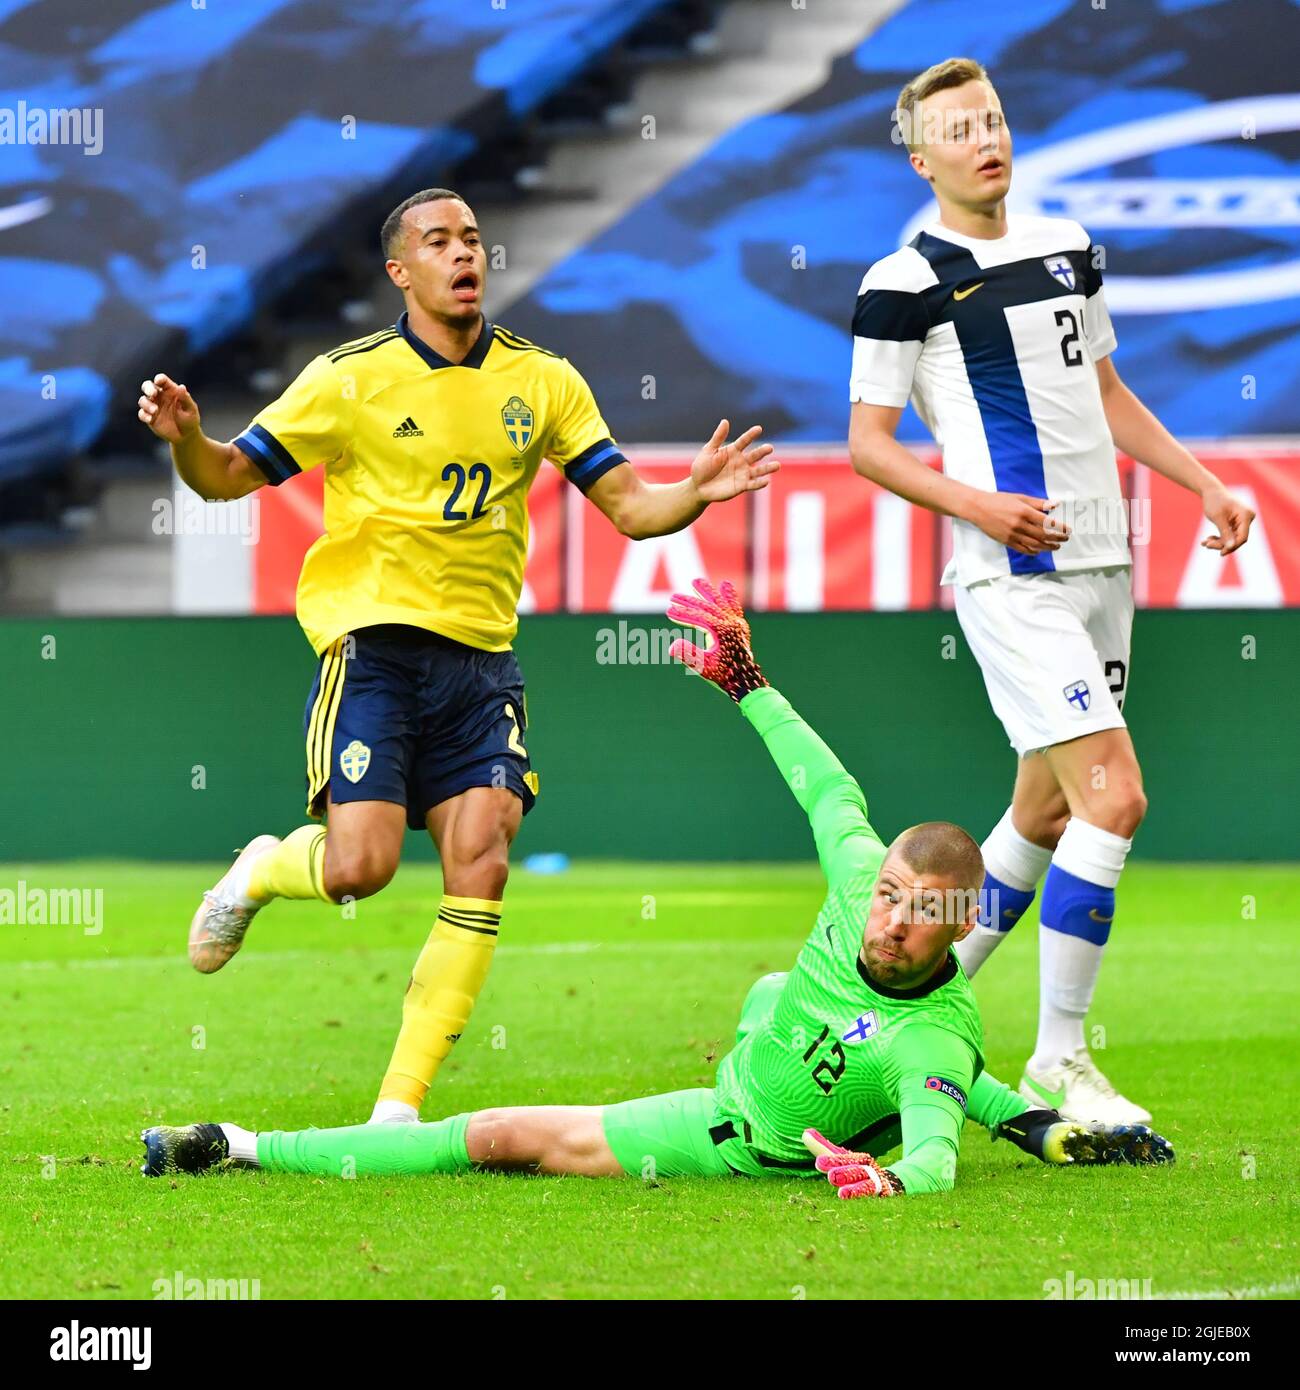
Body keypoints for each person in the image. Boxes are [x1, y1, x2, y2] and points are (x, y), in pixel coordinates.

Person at [141, 580, 1172, 1193]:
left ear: (958, 931)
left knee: (501, 1136)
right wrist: (748, 682)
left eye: (918, 914)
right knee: (778, 992)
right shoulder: (863, 876)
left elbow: (938, 1152)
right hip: (779, 1046)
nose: (888, 918)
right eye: (889, 893)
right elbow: (824, 785)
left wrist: (890, 1176)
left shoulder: (932, 1037)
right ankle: (1060, 1129)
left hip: (731, 1135)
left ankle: (236, 1146)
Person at [135, 188, 778, 1125]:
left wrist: (695, 491)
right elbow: (230, 477)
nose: (463, 253)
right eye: (439, 241)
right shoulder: (347, 379)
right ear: (401, 270)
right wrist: (190, 440)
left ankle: (397, 1109)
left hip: (482, 661)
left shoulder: (543, 380)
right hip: (376, 646)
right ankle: (262, 869)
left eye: (473, 238)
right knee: (362, 868)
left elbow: (634, 510)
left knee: (482, 860)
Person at [846, 58, 1256, 1122]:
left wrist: (1202, 480)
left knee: (1040, 806)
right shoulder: (903, 279)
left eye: (993, 119)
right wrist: (978, 508)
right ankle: (1058, 1057)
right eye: (957, 128)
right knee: (1112, 796)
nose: (984, 138)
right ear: (920, 155)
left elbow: (1106, 390)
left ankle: (906, 1014)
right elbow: (867, 448)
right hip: (1009, 571)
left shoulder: (1068, 248)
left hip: (1101, 563)